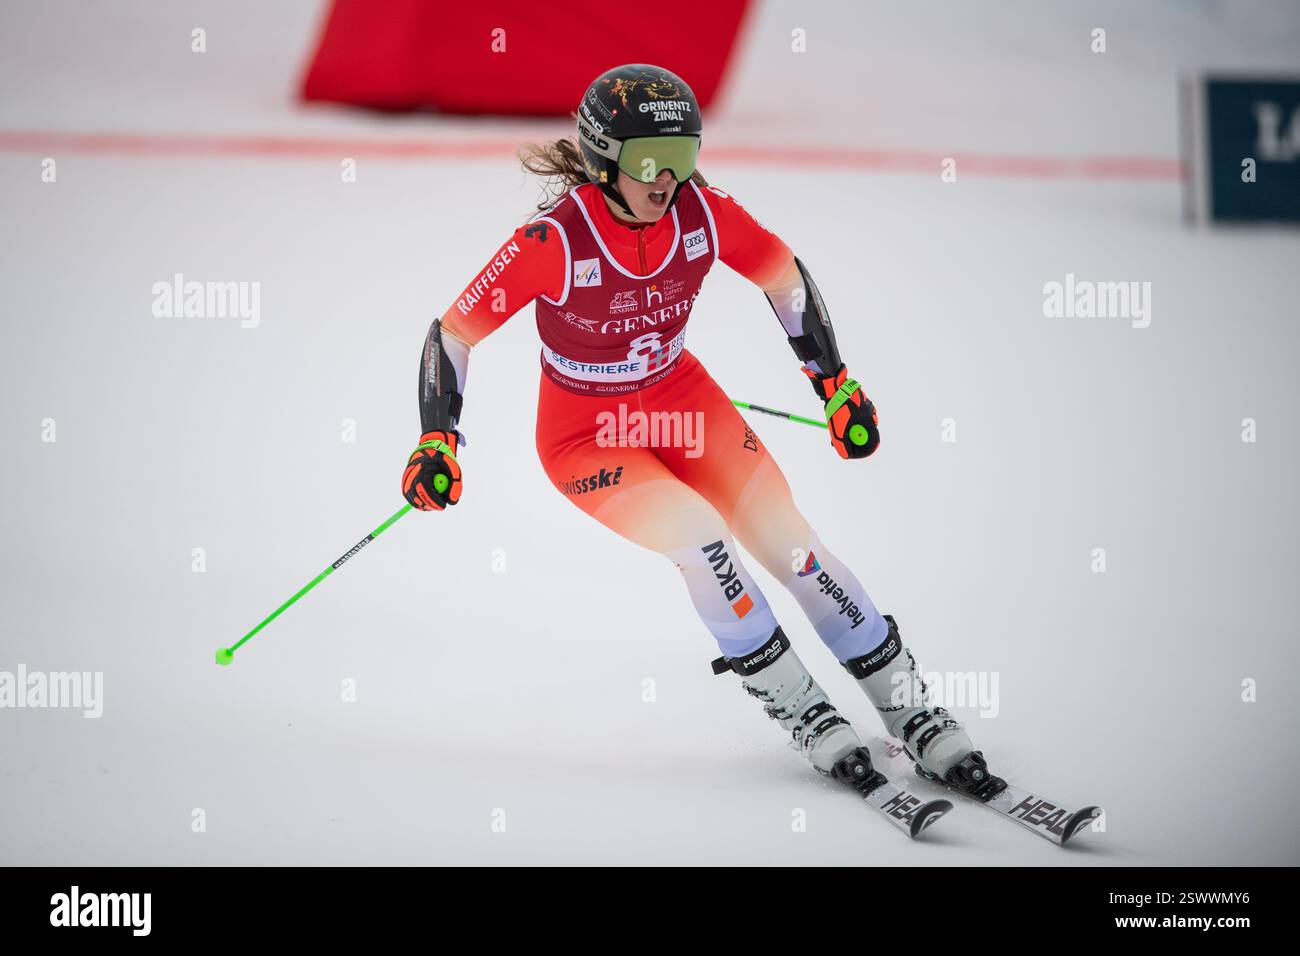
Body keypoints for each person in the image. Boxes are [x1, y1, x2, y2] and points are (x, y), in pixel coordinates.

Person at [401, 64, 1003, 799]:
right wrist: (438, 438)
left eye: (683, 159)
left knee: (794, 546)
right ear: (602, 160)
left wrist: (835, 383)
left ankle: (914, 712)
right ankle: (804, 708)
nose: (669, 181)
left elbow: (784, 275)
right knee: (701, 536)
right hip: (586, 441)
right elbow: (453, 331)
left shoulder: (704, 215)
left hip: (684, 406)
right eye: (651, 163)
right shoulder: (551, 243)